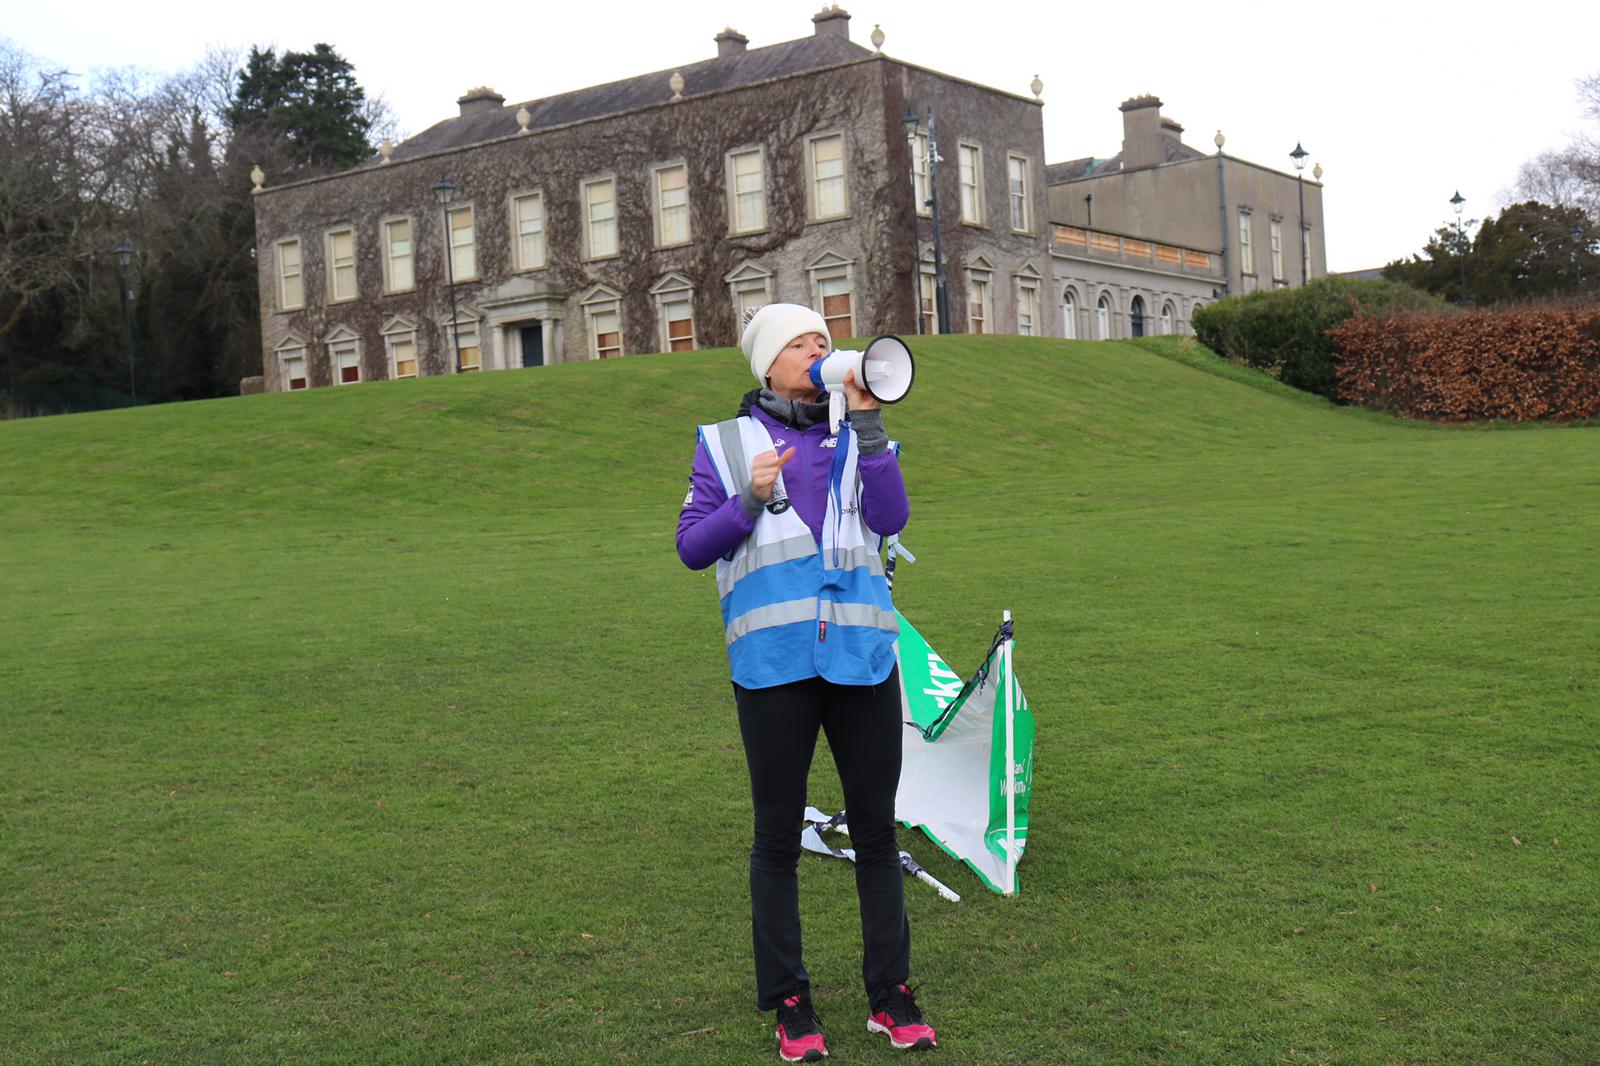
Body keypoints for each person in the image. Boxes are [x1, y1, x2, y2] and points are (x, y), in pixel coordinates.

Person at [676, 303, 938, 1061]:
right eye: (801, 342)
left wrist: (871, 427)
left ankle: (892, 996)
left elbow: (891, 519)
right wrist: (748, 499)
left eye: (824, 339)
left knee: (878, 834)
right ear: (767, 363)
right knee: (777, 839)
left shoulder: (858, 432)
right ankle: (790, 1000)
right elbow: (694, 548)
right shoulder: (724, 444)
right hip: (773, 668)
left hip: (862, 660)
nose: (820, 350)